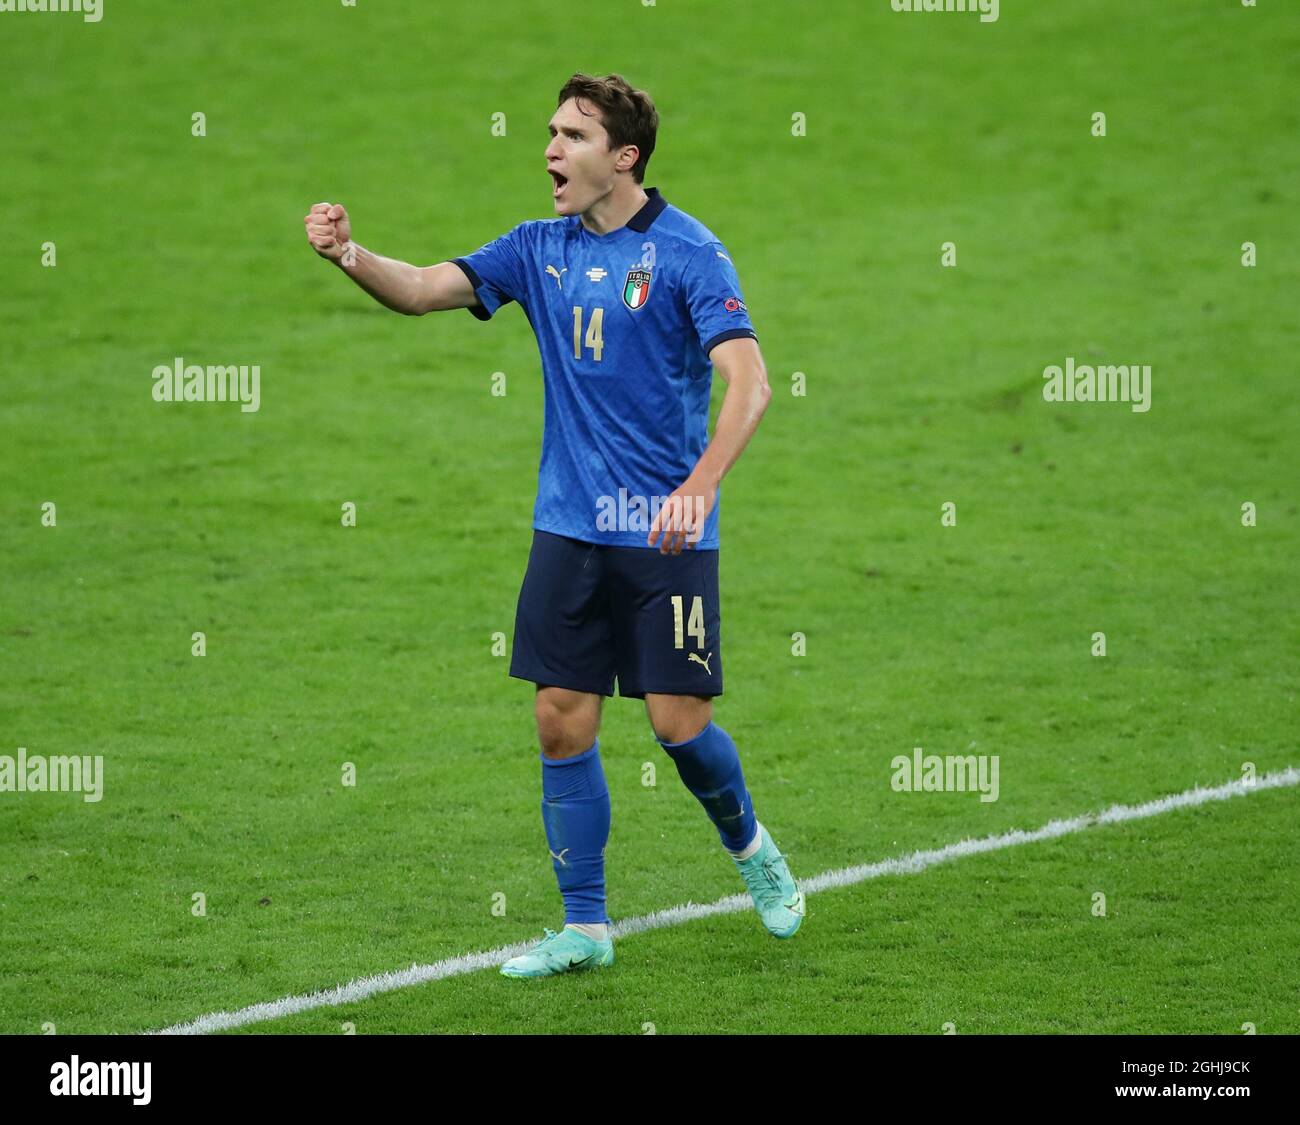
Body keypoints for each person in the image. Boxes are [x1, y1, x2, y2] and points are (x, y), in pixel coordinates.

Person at [304, 72, 804, 979]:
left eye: (572, 136)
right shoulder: (538, 248)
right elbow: (420, 289)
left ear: (624, 158)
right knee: (558, 720)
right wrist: (351, 255)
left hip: (662, 534)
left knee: (678, 725)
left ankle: (753, 851)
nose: (550, 150)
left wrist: (700, 484)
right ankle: (585, 927)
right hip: (569, 528)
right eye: (549, 133)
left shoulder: (692, 255)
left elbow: (751, 382)